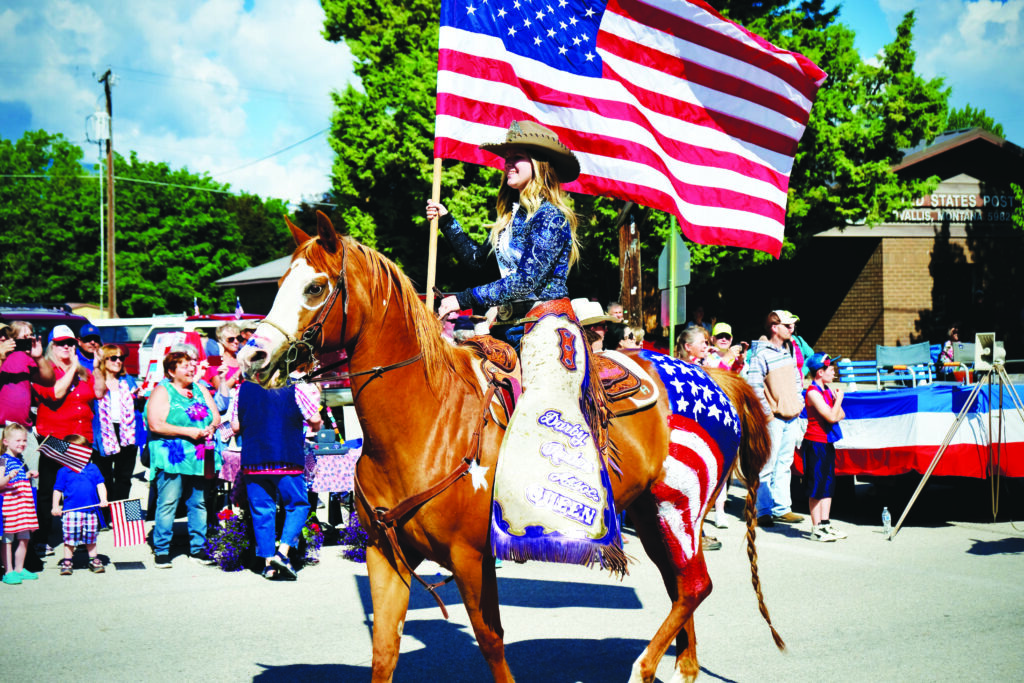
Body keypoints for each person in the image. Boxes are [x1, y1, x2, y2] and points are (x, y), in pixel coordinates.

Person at [426, 120, 581, 344]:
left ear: (538, 163)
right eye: (507, 157)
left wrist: (462, 299)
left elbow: (525, 281)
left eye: (516, 156)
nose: (508, 163)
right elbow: (477, 262)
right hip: (506, 326)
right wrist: (447, 221)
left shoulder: (551, 217)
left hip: (547, 328)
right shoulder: (509, 218)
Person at [230, 380, 322, 579]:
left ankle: (268, 565)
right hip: (286, 456)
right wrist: (312, 426)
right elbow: (314, 418)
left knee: (262, 510)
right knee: (297, 505)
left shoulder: (242, 389)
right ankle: (283, 552)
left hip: (254, 458)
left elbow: (235, 426)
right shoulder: (295, 387)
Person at [31, 324, 106, 554]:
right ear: (51, 346)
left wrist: (98, 367)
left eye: (71, 342)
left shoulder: (83, 370)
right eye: (61, 343)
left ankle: (82, 536)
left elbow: (100, 392)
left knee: (83, 487)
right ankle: (43, 538)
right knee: (50, 489)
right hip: (55, 439)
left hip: (82, 440)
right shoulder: (44, 369)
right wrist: (74, 366)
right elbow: (55, 393)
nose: (67, 346)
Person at [146, 350, 220, 568]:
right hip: (172, 456)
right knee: (168, 502)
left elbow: (215, 414)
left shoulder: (200, 388)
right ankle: (162, 550)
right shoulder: (162, 390)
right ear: (171, 371)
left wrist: (211, 427)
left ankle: (198, 548)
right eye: (184, 366)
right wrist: (189, 432)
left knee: (199, 502)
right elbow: (155, 424)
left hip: (200, 456)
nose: (191, 369)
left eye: (192, 365)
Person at [746, 310, 805, 528]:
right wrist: (768, 414)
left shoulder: (788, 350)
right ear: (774, 327)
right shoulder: (761, 354)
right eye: (787, 325)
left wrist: (798, 403)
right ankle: (763, 511)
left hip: (791, 416)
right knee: (767, 465)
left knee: (784, 464)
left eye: (792, 326)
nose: (792, 329)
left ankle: (782, 508)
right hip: (775, 419)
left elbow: (797, 379)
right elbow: (754, 386)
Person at [0, 321, 55, 479]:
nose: (3, 338)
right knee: (3, 477)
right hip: (1, 430)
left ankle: (31, 502)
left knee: (32, 475)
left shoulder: (23, 357)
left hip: (24, 429)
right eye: (0, 336)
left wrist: (39, 358)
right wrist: (1, 356)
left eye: (6, 335)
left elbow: (49, 381)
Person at [801, 353, 846, 542]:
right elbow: (831, 416)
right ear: (820, 372)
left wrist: (836, 405)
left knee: (828, 484)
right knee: (816, 486)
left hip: (827, 442)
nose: (834, 371)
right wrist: (838, 401)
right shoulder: (812, 392)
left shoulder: (827, 390)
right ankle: (816, 527)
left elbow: (840, 414)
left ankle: (825, 523)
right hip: (815, 443)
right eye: (830, 368)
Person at [52, 434, 108, 575]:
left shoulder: (93, 468)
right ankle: (67, 560)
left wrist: (103, 499)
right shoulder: (64, 471)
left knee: (91, 536)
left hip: (91, 510)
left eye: (83, 450)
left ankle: (93, 559)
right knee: (70, 537)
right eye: (74, 451)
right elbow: (57, 489)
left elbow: (100, 485)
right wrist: (55, 506)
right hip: (71, 511)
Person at [94, 344, 139, 507]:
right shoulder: (97, 379)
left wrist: (139, 398)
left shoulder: (128, 380)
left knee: (124, 477)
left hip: (126, 432)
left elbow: (137, 409)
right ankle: (104, 516)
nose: (118, 361)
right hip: (103, 432)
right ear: (103, 360)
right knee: (103, 477)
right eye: (113, 358)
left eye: (121, 358)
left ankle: (124, 519)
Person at [1, 423, 39, 584]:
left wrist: (28, 475)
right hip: (10, 503)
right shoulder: (3, 460)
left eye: (24, 440)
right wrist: (9, 476)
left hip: (23, 503)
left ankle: (19, 568)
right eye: (18, 441)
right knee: (8, 538)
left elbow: (21, 479)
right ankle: (8, 570)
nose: (22, 444)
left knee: (24, 537)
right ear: (6, 442)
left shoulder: (21, 459)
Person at [210, 323, 243, 392]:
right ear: (222, 341)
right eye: (231, 339)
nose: (236, 341)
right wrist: (238, 373)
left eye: (238, 338)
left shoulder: (241, 359)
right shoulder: (215, 360)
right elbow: (220, 390)